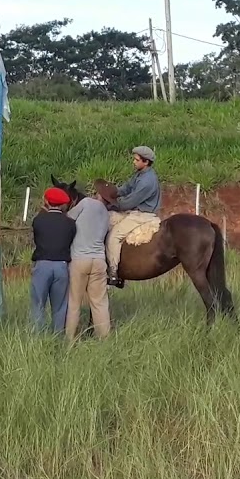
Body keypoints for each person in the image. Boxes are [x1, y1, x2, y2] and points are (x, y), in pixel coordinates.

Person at [104, 145, 161, 288]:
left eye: (136, 160)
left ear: (146, 162)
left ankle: (113, 272)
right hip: (134, 211)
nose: (133, 162)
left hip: (142, 215)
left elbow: (130, 201)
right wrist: (112, 193)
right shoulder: (139, 174)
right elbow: (126, 188)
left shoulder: (147, 181)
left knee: (114, 237)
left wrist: (113, 205)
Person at [65, 184, 112, 342]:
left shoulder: (85, 203)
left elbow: (68, 219)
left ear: (98, 194)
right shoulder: (106, 214)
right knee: (100, 303)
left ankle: (70, 340)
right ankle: (104, 339)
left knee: (74, 303)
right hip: (99, 260)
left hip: (79, 259)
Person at [30, 187, 76, 334]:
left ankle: (38, 337)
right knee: (60, 306)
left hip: (42, 264)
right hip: (62, 266)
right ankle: (58, 337)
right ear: (63, 205)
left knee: (38, 304)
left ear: (46, 201)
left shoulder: (38, 220)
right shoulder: (70, 223)